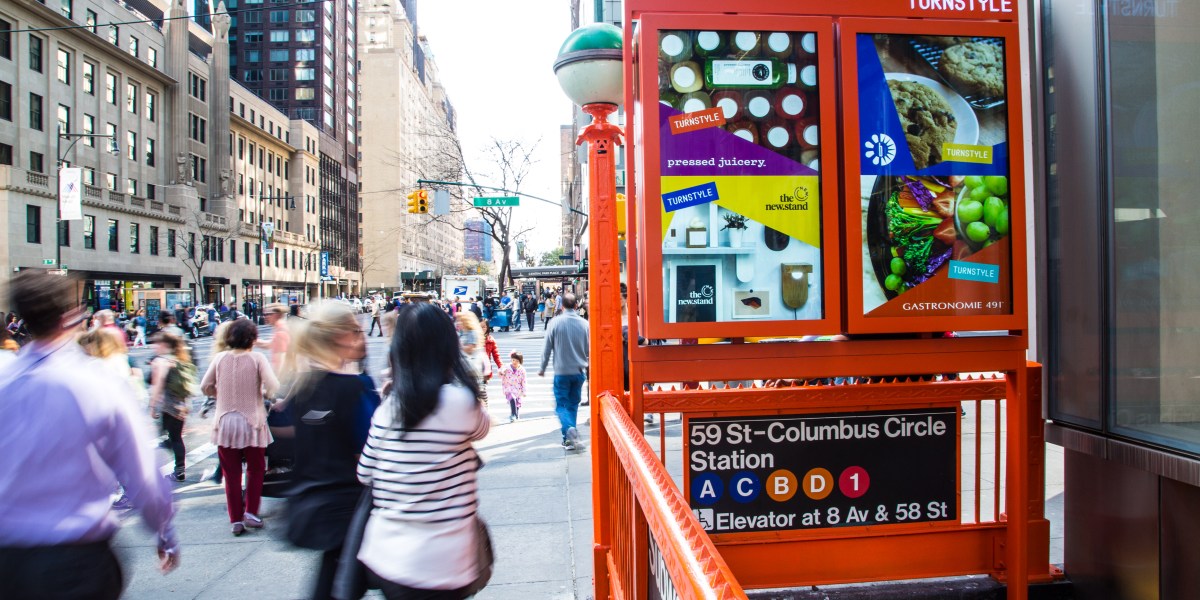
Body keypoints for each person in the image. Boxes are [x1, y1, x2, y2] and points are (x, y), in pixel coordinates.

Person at [0, 270, 180, 598]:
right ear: (71, 316)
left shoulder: (4, 378)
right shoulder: (95, 381)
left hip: (8, 560)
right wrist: (164, 531)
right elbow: (141, 472)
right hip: (74, 564)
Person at [357, 302, 491, 599]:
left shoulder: (388, 409)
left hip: (389, 557)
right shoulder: (460, 402)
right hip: (448, 559)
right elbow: (483, 429)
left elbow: (365, 473)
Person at [283, 301, 381, 600]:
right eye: (355, 329)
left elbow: (287, 436)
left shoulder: (301, 387)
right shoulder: (353, 389)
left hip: (313, 502)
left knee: (334, 581)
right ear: (340, 336)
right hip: (351, 506)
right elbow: (370, 449)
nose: (361, 333)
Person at [200, 318, 280, 536]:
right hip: (252, 422)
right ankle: (251, 512)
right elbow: (273, 386)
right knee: (255, 469)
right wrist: (264, 394)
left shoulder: (219, 358)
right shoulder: (257, 358)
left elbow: (205, 386)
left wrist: (220, 394)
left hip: (225, 422)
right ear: (252, 338)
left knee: (231, 473)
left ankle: (235, 519)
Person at [539, 293, 590, 450]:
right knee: (573, 404)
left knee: (561, 405)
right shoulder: (584, 324)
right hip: (578, 371)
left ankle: (568, 431)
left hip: (561, 372)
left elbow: (547, 348)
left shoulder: (555, 323)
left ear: (562, 306)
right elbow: (589, 349)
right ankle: (569, 437)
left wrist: (542, 367)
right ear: (576, 306)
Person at [149, 332, 196, 482]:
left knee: (171, 439)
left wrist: (153, 405)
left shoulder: (162, 361)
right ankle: (180, 470)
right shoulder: (181, 359)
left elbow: (158, 384)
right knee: (176, 438)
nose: (155, 346)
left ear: (164, 345)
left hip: (168, 406)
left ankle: (175, 469)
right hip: (181, 405)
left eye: (157, 343)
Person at [257, 303, 292, 372]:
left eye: (267, 314)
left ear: (277, 314)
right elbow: (270, 344)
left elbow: (280, 360)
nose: (265, 317)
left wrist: (277, 379)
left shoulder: (281, 332)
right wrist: (254, 341)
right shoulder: (280, 328)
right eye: (264, 314)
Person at [501, 351, 527, 423]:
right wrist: (502, 372)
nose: (514, 362)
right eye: (513, 360)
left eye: (517, 361)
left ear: (520, 361)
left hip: (518, 389)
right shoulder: (507, 367)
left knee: (517, 403)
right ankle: (513, 415)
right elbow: (501, 372)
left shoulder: (522, 370)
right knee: (512, 398)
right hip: (508, 388)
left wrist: (524, 391)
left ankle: (516, 415)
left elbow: (524, 381)